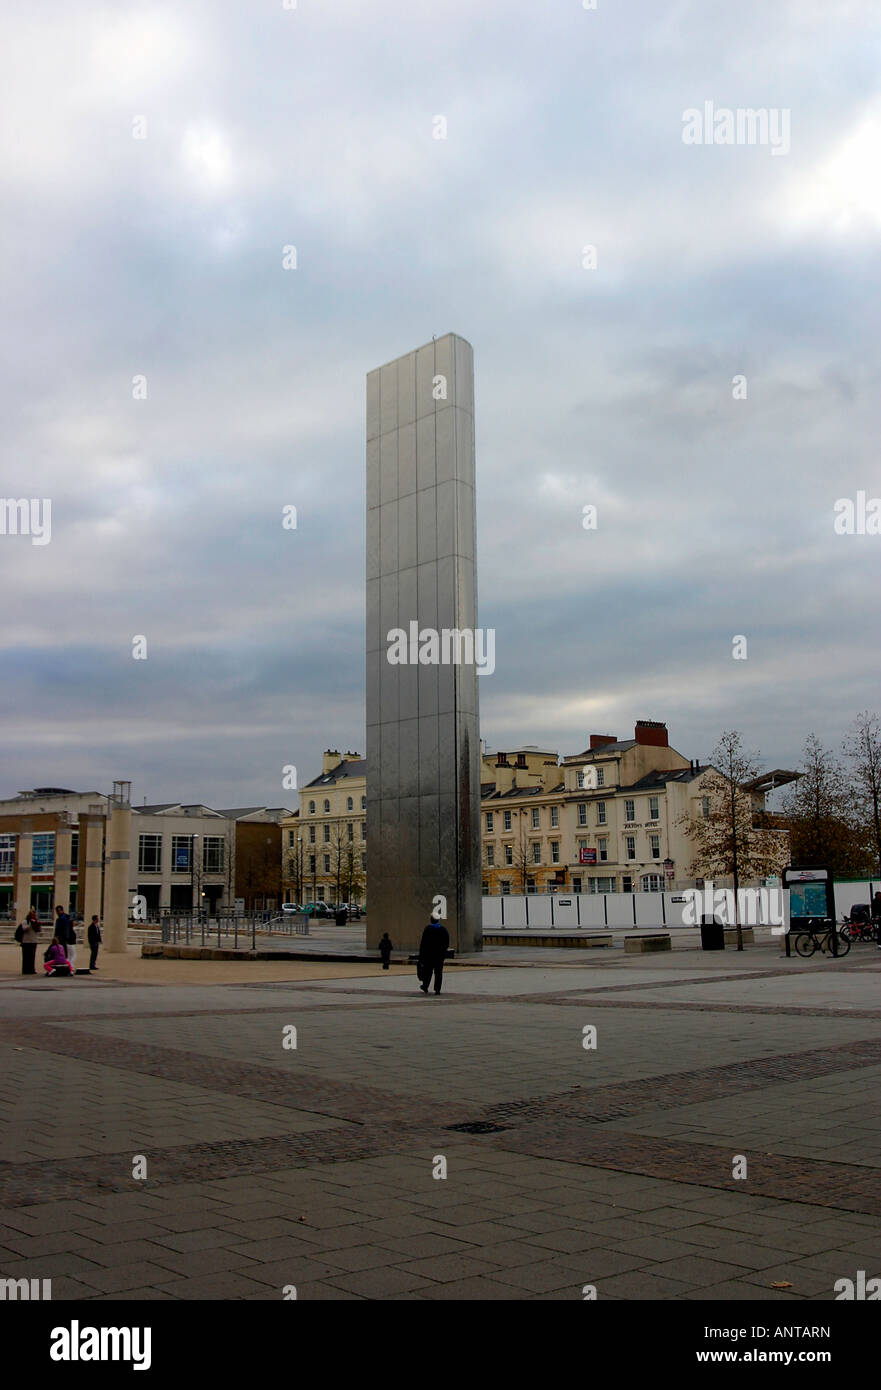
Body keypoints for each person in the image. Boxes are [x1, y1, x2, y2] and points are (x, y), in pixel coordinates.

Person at [418, 911, 450, 995]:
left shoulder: (428, 929)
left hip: (429, 955)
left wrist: (422, 955)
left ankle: (425, 986)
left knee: (428, 971)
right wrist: (443, 952)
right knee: (438, 972)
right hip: (439, 956)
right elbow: (446, 942)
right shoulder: (443, 930)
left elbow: (423, 943)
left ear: (431, 919)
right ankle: (437, 989)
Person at [16, 909, 41, 975]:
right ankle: (25, 970)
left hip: (33, 941)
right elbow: (24, 929)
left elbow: (39, 930)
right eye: (32, 915)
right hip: (26, 941)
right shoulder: (25, 921)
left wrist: (37, 924)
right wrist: (31, 924)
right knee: (26, 957)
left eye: (34, 915)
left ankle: (32, 970)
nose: (33, 916)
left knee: (32, 956)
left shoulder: (36, 921)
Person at [55, 904, 77, 969]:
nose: (57, 913)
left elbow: (58, 930)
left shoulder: (62, 919)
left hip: (66, 938)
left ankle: (68, 966)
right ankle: (70, 967)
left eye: (58, 911)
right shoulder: (64, 918)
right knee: (71, 954)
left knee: (69, 954)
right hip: (66, 939)